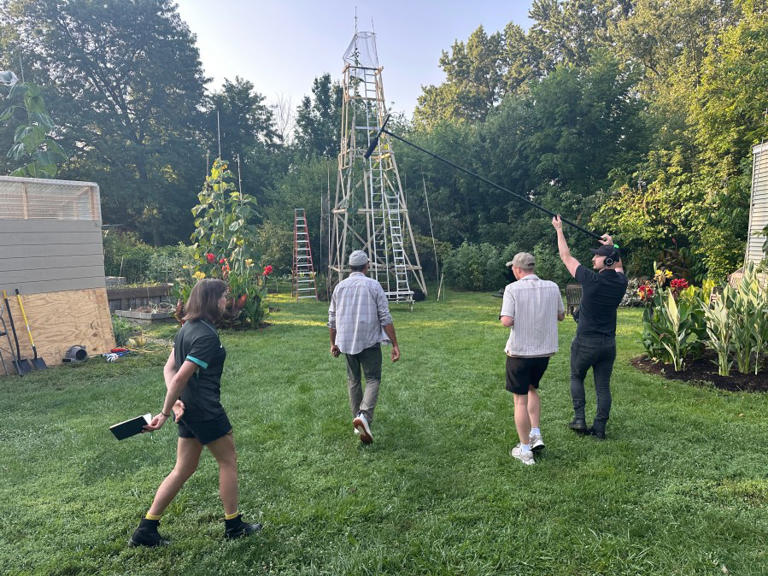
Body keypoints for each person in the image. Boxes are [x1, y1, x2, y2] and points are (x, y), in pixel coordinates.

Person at [129, 278, 261, 547]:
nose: (226, 301)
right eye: (223, 296)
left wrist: (177, 403)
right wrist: (166, 411)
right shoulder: (206, 336)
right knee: (228, 461)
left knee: (184, 468)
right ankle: (234, 526)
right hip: (205, 410)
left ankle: (146, 529)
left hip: (188, 410)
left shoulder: (186, 328)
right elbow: (179, 376)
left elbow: (169, 369)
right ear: (212, 300)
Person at [552, 215, 628, 440]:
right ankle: (600, 428)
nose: (593, 258)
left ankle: (579, 419)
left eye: (598, 255)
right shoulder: (621, 283)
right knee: (603, 387)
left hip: (585, 341)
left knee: (576, 376)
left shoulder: (591, 280)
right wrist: (612, 246)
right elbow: (619, 266)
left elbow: (566, 257)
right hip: (608, 343)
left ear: (607, 261)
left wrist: (559, 230)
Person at [328, 250, 400, 444]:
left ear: (349, 267)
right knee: (373, 378)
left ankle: (358, 421)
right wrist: (394, 344)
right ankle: (364, 416)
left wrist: (333, 343)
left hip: (346, 341)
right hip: (369, 340)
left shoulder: (339, 287)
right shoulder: (373, 285)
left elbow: (332, 318)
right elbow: (385, 317)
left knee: (353, 380)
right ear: (367, 266)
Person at [499, 252, 565, 466]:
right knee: (531, 388)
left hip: (520, 352)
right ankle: (535, 433)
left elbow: (506, 321)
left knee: (519, 399)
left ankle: (525, 450)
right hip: (544, 352)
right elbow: (561, 315)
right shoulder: (552, 287)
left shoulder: (512, 289)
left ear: (517, 269)